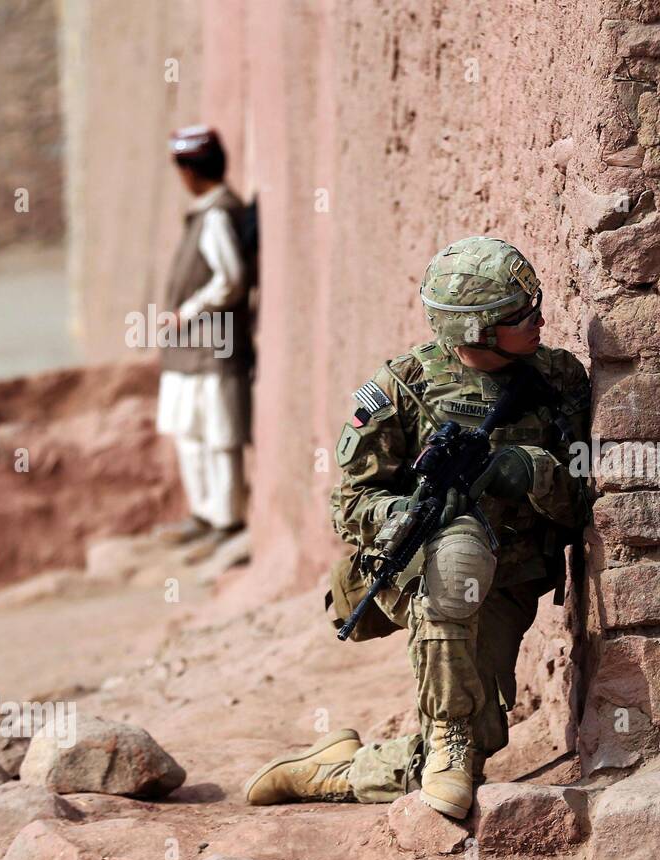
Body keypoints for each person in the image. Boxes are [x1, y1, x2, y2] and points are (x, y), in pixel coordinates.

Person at [244, 237, 591, 818]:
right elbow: (349, 503)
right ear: (477, 330)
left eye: (536, 305)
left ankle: (339, 769)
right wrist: (402, 515)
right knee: (453, 560)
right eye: (520, 315)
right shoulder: (403, 388)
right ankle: (446, 738)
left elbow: (586, 503)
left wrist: (531, 471)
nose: (539, 319)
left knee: (486, 743)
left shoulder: (557, 380)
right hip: (423, 572)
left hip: (509, 577)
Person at [155, 125, 255, 547]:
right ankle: (205, 514)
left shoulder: (217, 214)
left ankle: (226, 520)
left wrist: (187, 313)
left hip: (214, 348)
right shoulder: (206, 212)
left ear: (189, 172)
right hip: (191, 354)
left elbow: (231, 279)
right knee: (190, 434)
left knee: (219, 436)